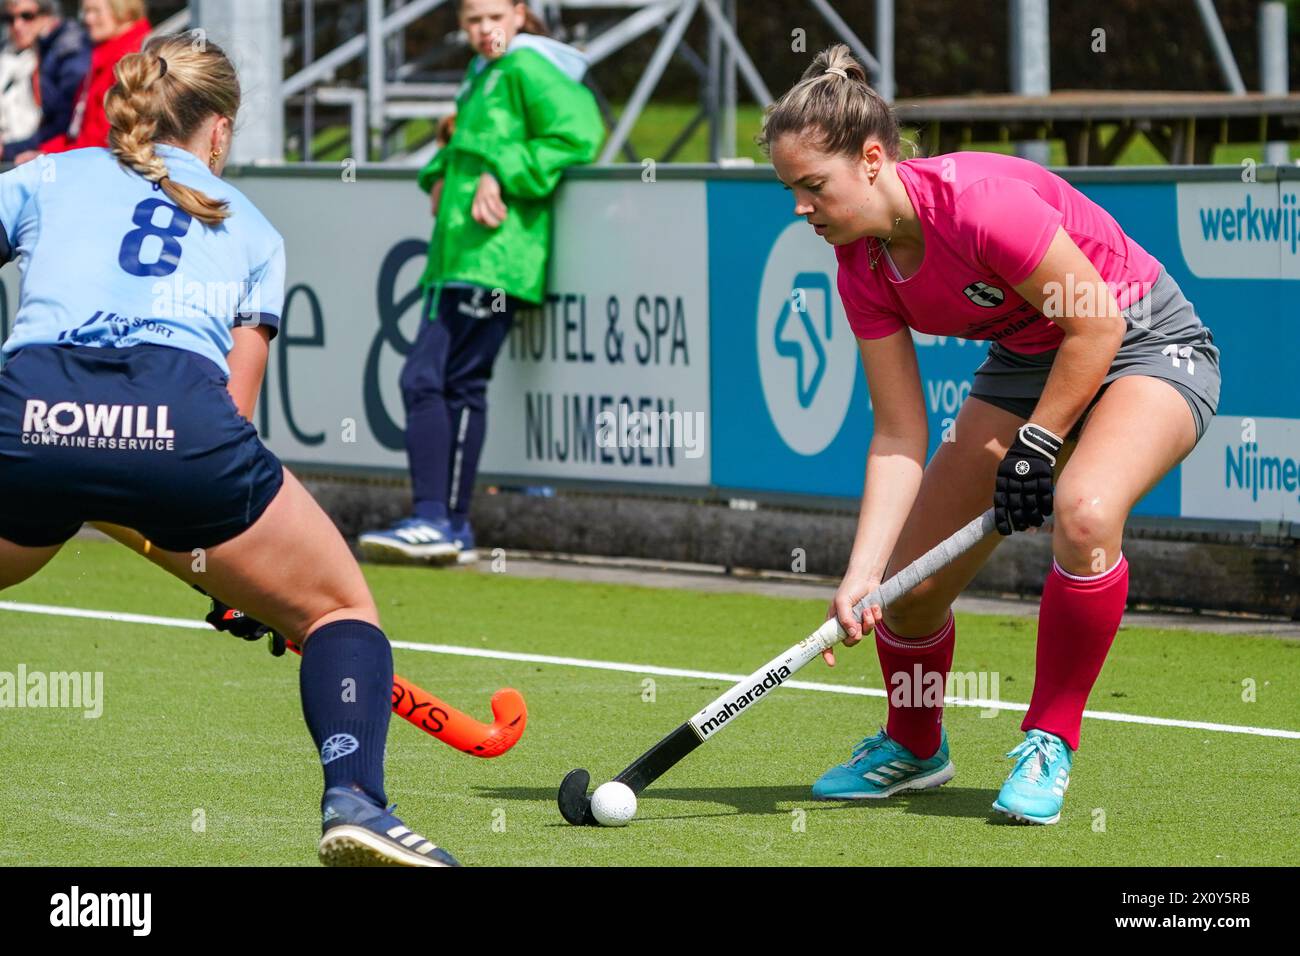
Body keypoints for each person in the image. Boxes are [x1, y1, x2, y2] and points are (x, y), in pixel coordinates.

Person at [0, 32, 458, 866]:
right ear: (218, 129)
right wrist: (223, 566)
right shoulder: (251, 226)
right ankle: (355, 798)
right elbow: (232, 415)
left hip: (31, 413)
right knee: (337, 610)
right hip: (181, 428)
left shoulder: (48, 174)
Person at [762, 46, 1221, 825]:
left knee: (1083, 511)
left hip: (1144, 340)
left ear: (872, 159)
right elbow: (900, 432)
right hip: (1030, 362)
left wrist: (1041, 443)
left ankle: (1050, 739)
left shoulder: (976, 204)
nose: (802, 209)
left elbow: (1097, 322)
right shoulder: (860, 268)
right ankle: (914, 747)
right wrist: (863, 573)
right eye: (791, 192)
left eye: (813, 187)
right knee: (909, 590)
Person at [358, 0, 604, 564]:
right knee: (440, 381)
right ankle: (448, 525)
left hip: (496, 259)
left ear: (519, 13)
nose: (484, 29)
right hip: (458, 258)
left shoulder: (525, 66)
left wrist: (503, 172)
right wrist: (437, 176)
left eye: (495, 16)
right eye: (473, 20)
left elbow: (578, 135)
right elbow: (465, 148)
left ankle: (437, 520)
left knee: (436, 378)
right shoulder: (484, 71)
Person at [15, 0, 146, 161]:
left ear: (123, 9)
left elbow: (106, 141)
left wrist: (49, 156)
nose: (88, 19)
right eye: (86, 11)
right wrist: (44, 151)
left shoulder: (134, 60)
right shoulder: (102, 57)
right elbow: (80, 133)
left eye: (96, 11)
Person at [1, 0, 90, 160]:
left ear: (47, 15)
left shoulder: (67, 52)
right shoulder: (23, 49)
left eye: (27, 16)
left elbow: (64, 124)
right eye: (9, 18)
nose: (17, 25)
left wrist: (9, 149)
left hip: (46, 156)